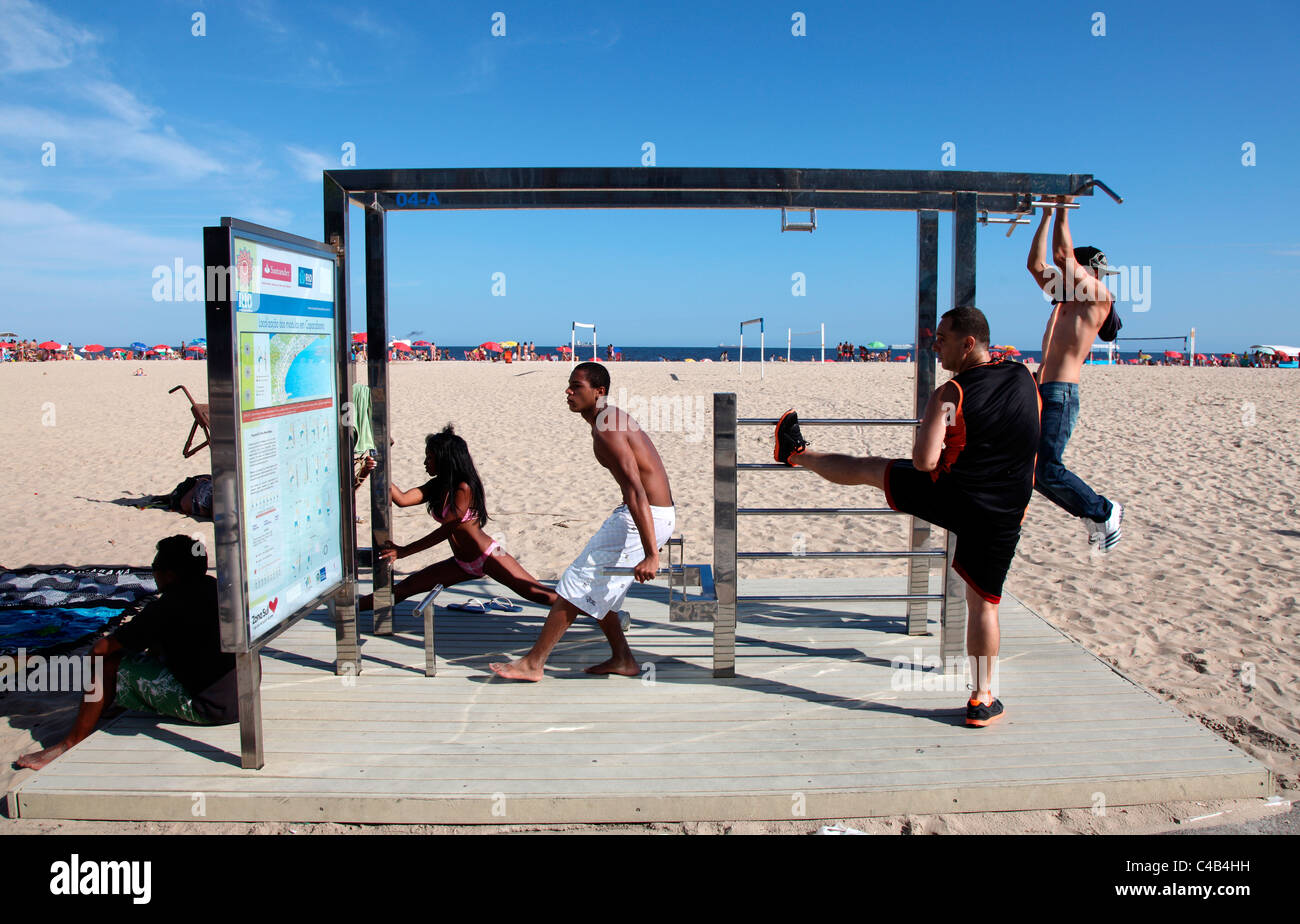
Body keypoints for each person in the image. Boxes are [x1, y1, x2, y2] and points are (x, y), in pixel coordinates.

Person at [772, 308, 1039, 727]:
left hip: (955, 497)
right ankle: (982, 699)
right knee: (984, 605)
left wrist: (935, 425)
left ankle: (795, 453)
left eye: (943, 338)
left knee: (868, 468)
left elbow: (923, 460)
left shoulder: (950, 394)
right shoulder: (1024, 376)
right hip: (1007, 509)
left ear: (969, 344)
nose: (935, 345)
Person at [490, 362, 675, 682]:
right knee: (601, 588)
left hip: (645, 515)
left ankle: (534, 664)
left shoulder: (607, 426)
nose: (568, 392)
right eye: (569, 385)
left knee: (578, 580)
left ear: (598, 392)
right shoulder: (606, 419)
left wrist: (651, 555)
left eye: (576, 386)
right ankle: (622, 658)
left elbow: (634, 489)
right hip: (648, 513)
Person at [16, 536, 237, 770]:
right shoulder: (216, 588)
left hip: (212, 708)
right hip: (240, 697)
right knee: (160, 644)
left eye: (155, 568)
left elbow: (100, 651)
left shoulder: (165, 608)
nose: (154, 573)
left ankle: (70, 743)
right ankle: (122, 698)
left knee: (105, 664)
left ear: (170, 574)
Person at [357, 426, 556, 612]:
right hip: (461, 562)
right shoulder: (437, 485)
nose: (425, 462)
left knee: (539, 595)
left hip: (488, 556)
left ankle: (586, 609)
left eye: (430, 457)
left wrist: (403, 552)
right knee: (404, 589)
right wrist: (372, 470)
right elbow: (402, 499)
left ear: (444, 459)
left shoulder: (464, 488)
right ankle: (350, 608)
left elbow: (447, 529)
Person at [1027, 195, 1123, 553]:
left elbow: (1062, 257)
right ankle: (1093, 513)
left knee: (1047, 469)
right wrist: (1046, 215)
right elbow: (1036, 263)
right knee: (1035, 471)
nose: (1100, 276)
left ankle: (1102, 510)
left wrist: (1063, 208)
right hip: (1043, 389)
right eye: (1095, 269)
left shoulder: (1098, 296)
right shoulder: (1064, 298)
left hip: (1061, 392)